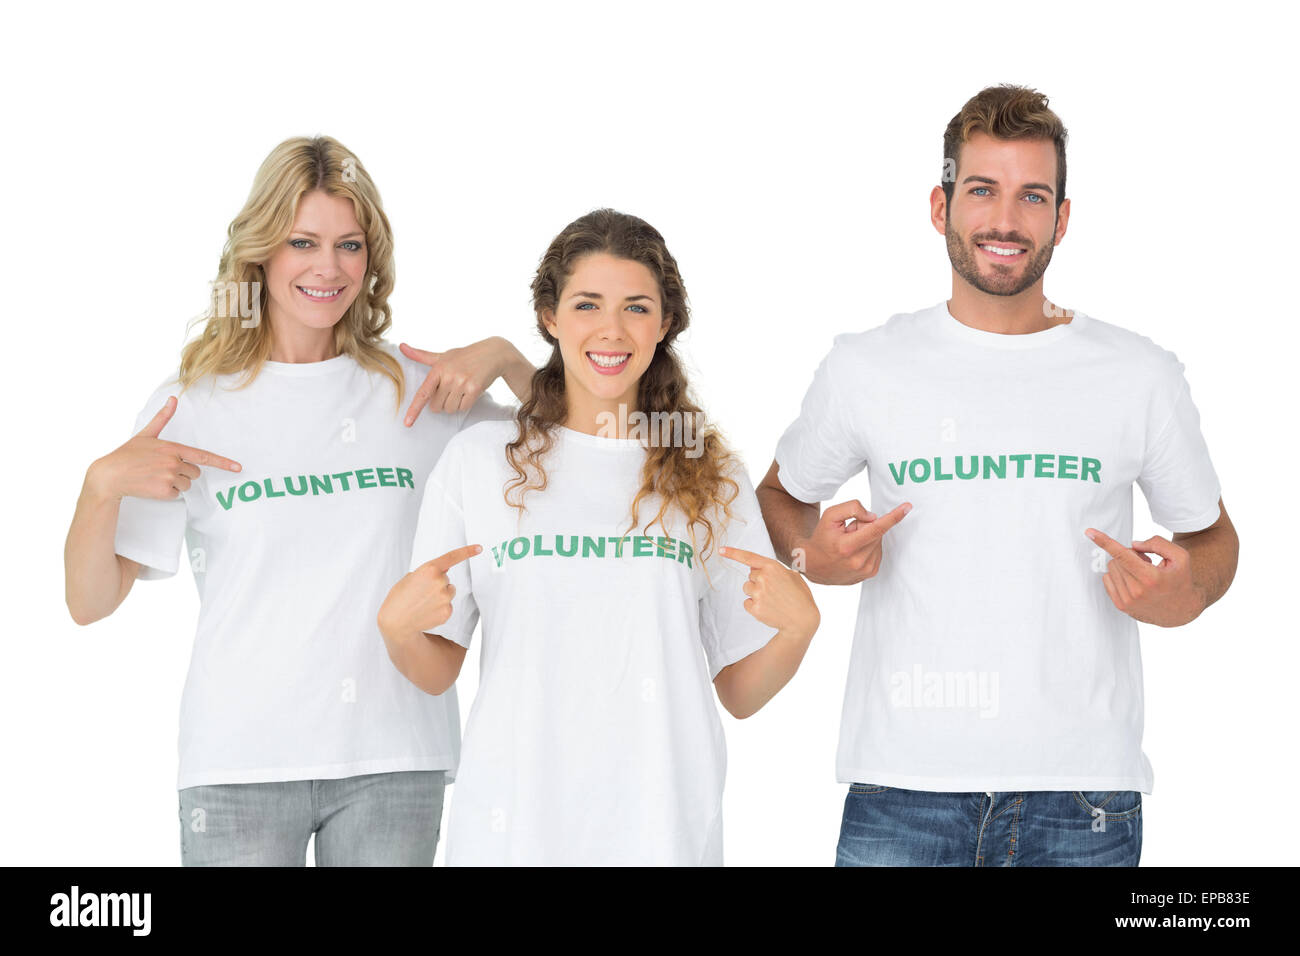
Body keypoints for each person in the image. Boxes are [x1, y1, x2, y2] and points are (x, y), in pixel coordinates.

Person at [756, 85, 1239, 867]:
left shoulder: (1139, 374)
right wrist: (813, 554)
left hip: (1083, 804)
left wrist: (1195, 591)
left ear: (1062, 218)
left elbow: (1213, 537)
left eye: (1032, 196)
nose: (1006, 220)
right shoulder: (865, 367)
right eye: (981, 190)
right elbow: (777, 498)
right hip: (900, 794)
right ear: (942, 207)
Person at [63, 135, 534, 866]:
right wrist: (99, 487)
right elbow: (90, 602)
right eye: (302, 241)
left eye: (349, 244)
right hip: (238, 765)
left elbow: (575, 445)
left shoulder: (419, 392)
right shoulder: (190, 405)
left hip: (393, 756)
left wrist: (506, 356)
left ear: (371, 257)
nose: (327, 267)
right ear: (261, 253)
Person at [378, 208, 821, 865]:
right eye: (588, 304)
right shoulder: (480, 460)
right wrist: (396, 628)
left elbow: (739, 691)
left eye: (637, 308)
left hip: (662, 833)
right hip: (513, 835)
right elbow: (438, 670)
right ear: (551, 317)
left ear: (664, 323)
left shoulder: (707, 469)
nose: (612, 330)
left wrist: (799, 629)